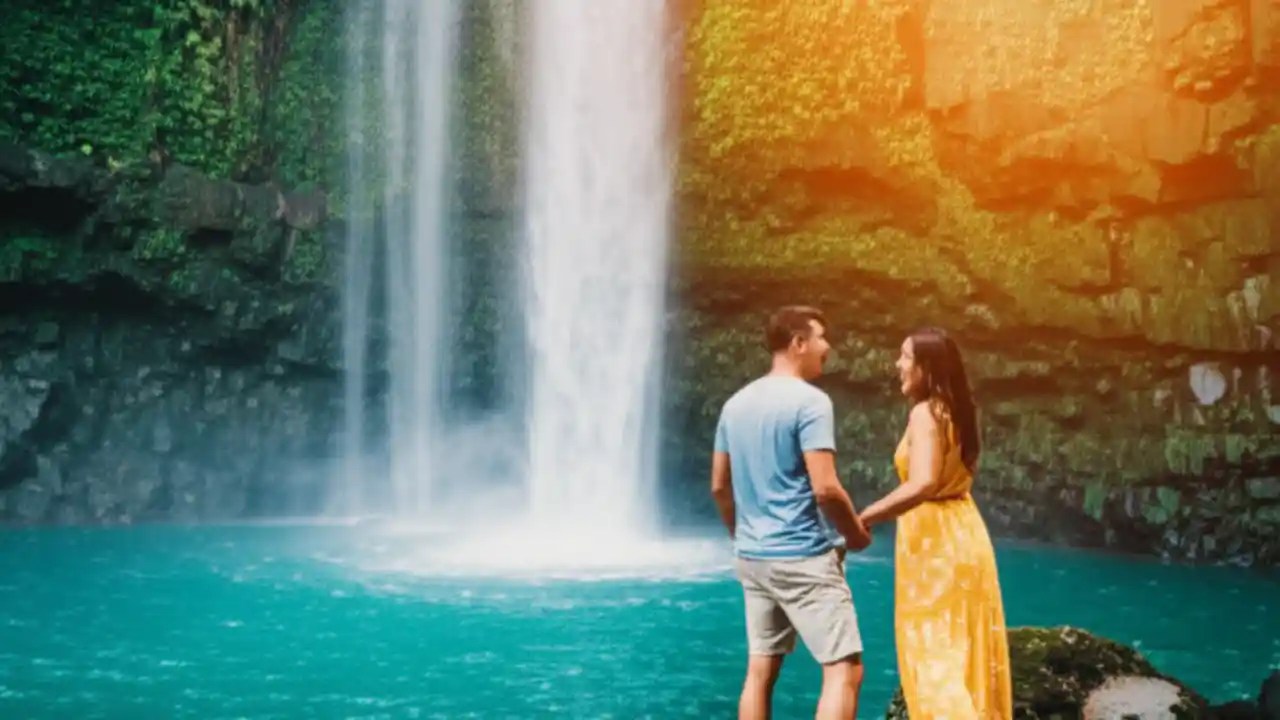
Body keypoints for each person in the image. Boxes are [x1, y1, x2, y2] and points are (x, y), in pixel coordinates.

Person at [710, 305, 873, 720]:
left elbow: (719, 486)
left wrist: (740, 534)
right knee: (843, 670)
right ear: (798, 343)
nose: (828, 347)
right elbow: (825, 488)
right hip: (801, 555)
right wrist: (855, 534)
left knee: (760, 671)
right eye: (821, 338)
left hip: (753, 557)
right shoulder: (811, 403)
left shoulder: (735, 404)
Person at [858, 327, 1013, 719]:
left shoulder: (925, 413)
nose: (898, 365)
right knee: (966, 656)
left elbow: (924, 481)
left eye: (905, 357)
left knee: (933, 657)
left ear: (926, 367)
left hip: (935, 546)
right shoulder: (957, 410)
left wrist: (866, 516)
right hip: (965, 531)